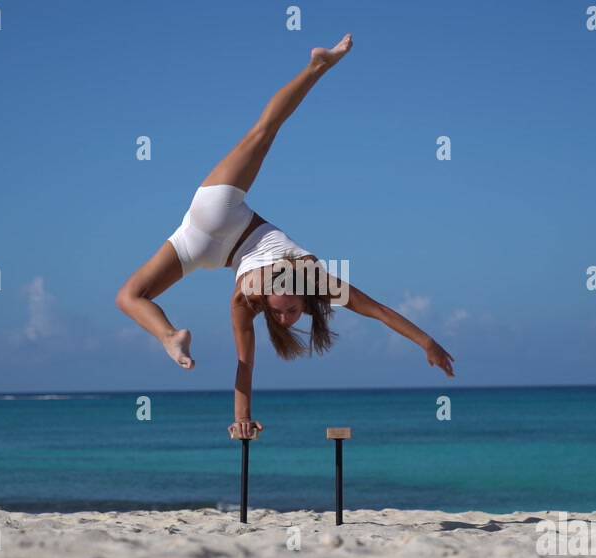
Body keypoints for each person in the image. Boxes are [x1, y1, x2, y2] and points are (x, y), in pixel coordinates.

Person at [116, 34, 455, 438]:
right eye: (288, 310)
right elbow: (377, 310)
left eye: (280, 316)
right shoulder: (310, 283)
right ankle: (318, 66)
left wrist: (242, 421)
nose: (281, 314)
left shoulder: (248, 304)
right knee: (264, 131)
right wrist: (426, 341)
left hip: (203, 243)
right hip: (227, 220)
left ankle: (171, 337)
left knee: (129, 296)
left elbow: (245, 365)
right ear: (298, 294)